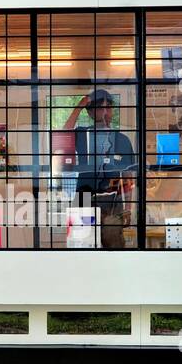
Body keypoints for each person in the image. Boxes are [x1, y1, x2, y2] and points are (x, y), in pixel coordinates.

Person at [70, 89, 136, 249]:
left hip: (113, 197)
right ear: (91, 112)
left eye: (109, 107)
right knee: (82, 245)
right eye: (101, 108)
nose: (106, 112)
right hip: (84, 196)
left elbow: (128, 176)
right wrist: (79, 106)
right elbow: (62, 136)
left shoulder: (122, 140)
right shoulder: (82, 135)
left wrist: (128, 208)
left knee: (113, 246)